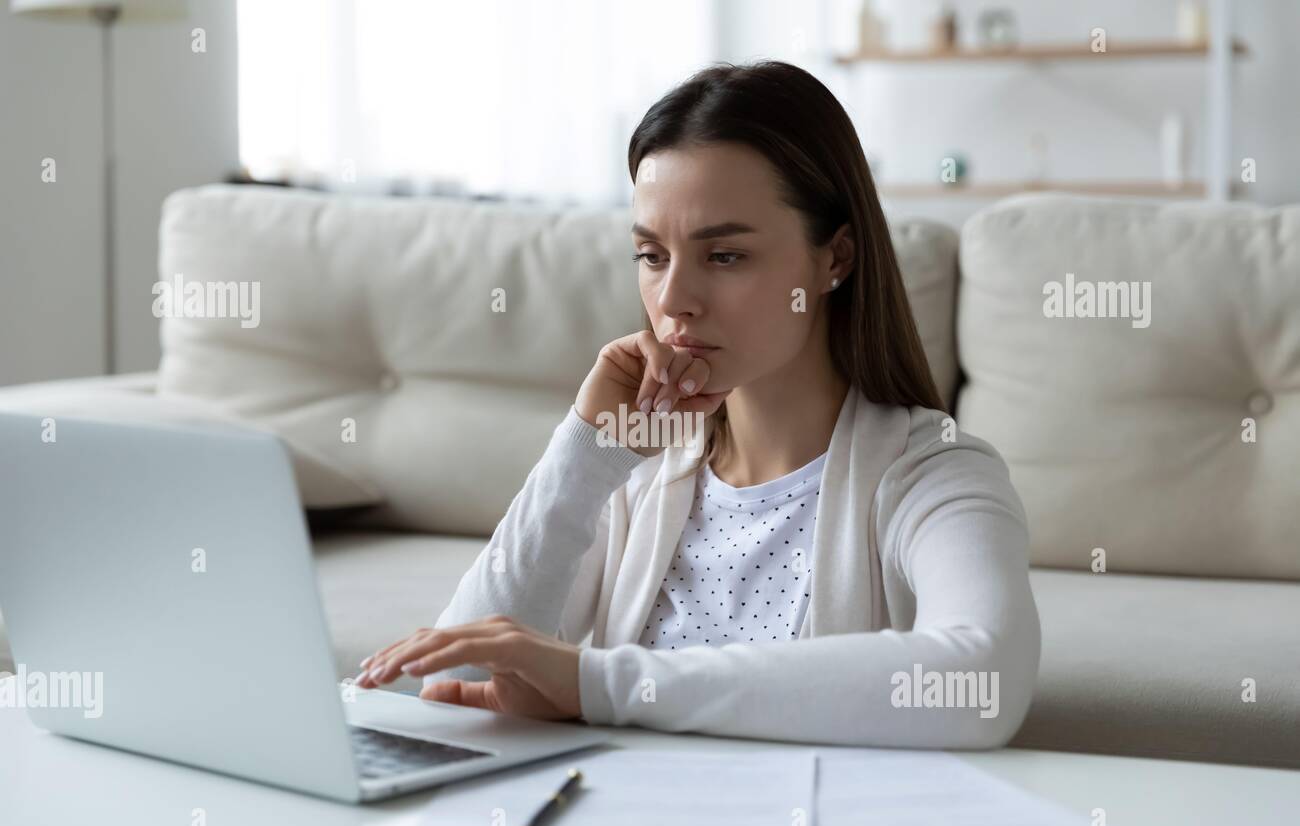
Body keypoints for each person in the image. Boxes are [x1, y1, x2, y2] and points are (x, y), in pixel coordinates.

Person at [355, 60, 1040, 748]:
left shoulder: (934, 474)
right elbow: (455, 680)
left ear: (835, 258)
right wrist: (588, 446)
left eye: (725, 257)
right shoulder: (636, 478)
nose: (674, 300)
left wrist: (602, 686)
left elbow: (979, 681)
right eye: (652, 256)